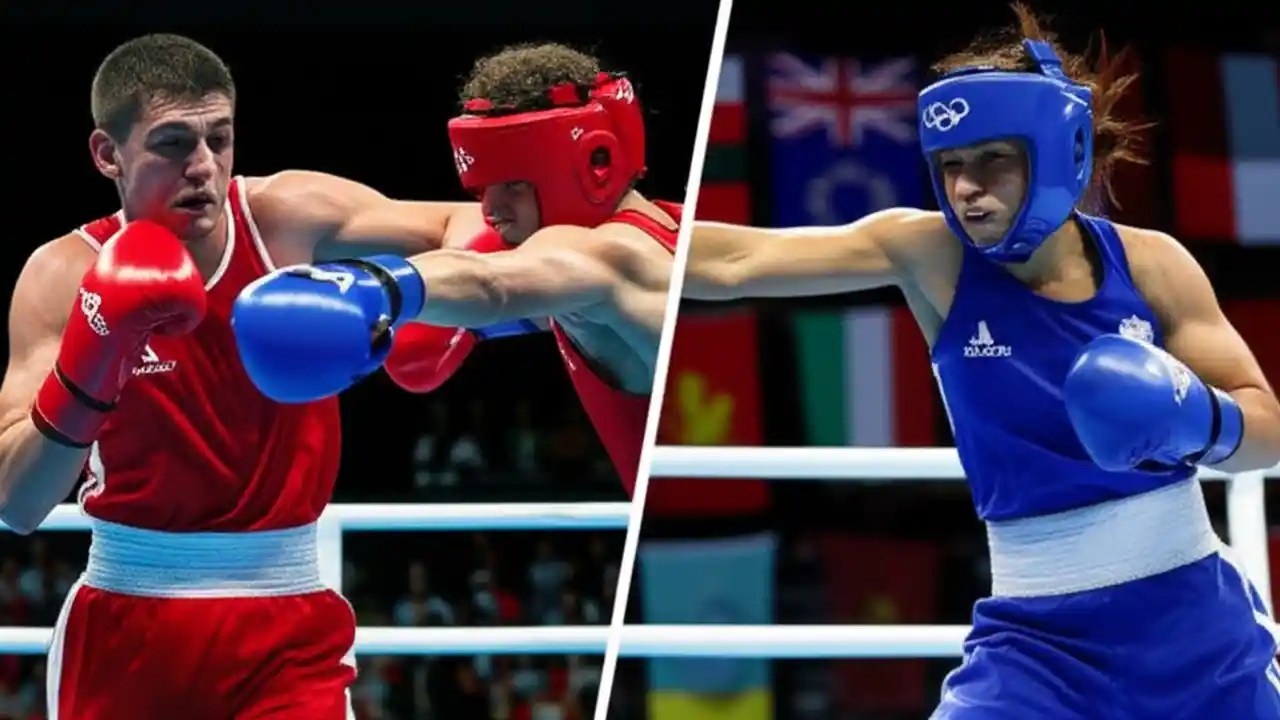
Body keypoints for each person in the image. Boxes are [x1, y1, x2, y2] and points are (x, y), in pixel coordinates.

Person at [680, 5, 1280, 718]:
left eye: (993, 158)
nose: (967, 187)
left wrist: (1197, 418)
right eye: (952, 165)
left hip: (1199, 633)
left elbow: (1267, 432)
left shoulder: (1152, 264)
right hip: (1036, 649)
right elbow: (735, 261)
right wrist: (605, 226)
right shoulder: (931, 256)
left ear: (1056, 152)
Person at [0, 32, 507, 718]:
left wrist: (417, 306)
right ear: (107, 154)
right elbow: (16, 503)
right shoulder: (64, 274)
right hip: (126, 625)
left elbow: (471, 223)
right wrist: (91, 363)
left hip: (287, 631)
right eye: (173, 144)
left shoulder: (283, 219)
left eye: (220, 138)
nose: (203, 167)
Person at [231, 43, 681, 497]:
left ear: (596, 165)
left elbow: (492, 283)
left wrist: (377, 288)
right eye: (482, 190)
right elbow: (487, 257)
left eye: (512, 185)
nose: (490, 211)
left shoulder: (600, 256)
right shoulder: (673, 229)